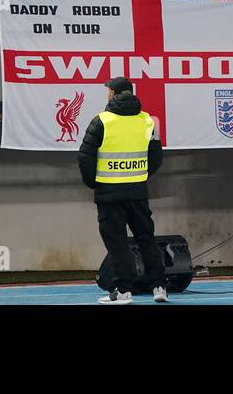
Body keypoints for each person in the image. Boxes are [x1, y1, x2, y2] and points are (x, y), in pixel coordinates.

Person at [78, 76, 168, 305]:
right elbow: (156, 157)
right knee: (146, 239)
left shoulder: (101, 121)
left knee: (117, 243)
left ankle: (123, 292)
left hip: (109, 194)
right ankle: (159, 287)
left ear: (113, 94)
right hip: (137, 192)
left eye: (108, 90)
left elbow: (85, 156)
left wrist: (94, 182)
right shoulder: (148, 121)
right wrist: (140, 176)